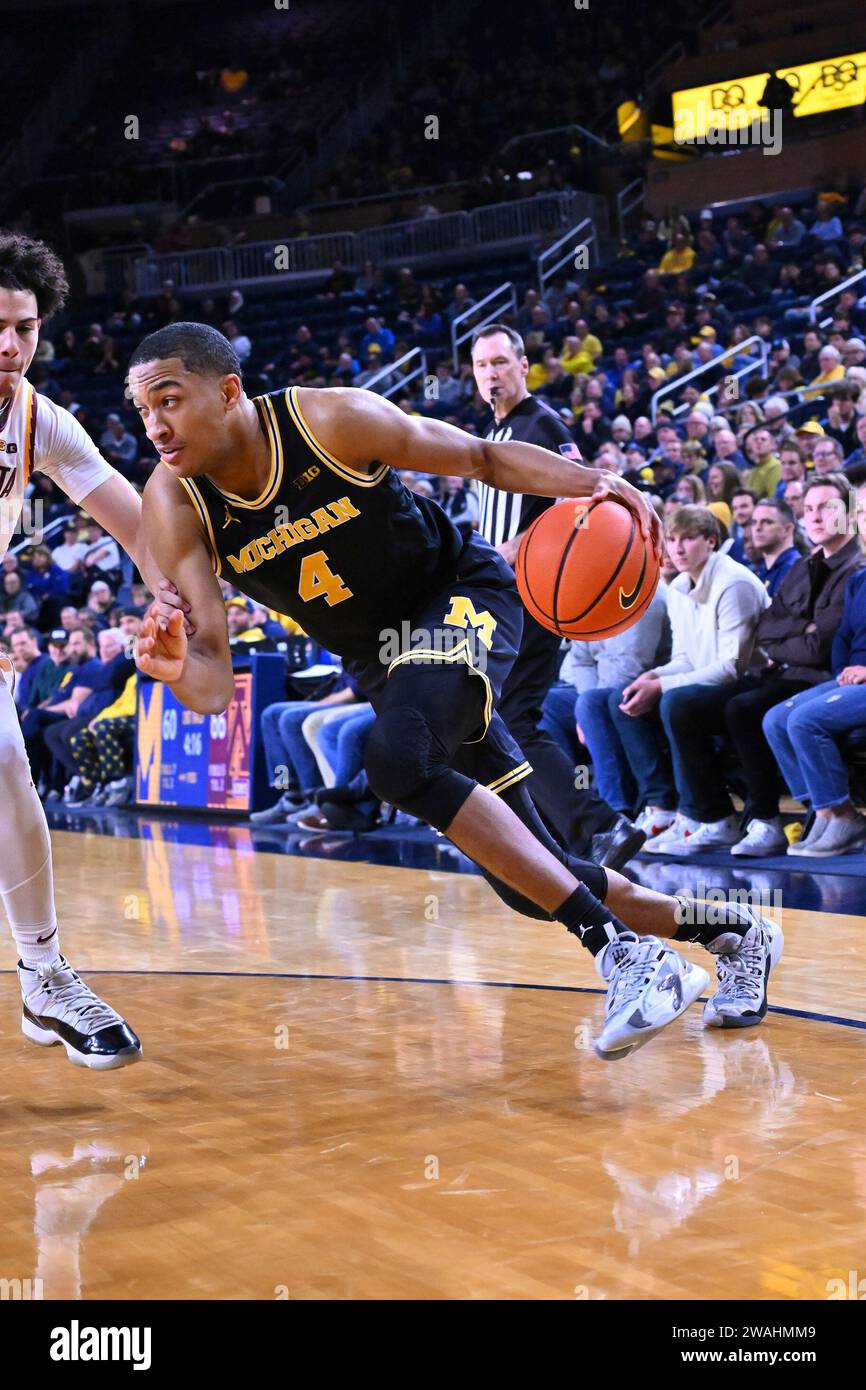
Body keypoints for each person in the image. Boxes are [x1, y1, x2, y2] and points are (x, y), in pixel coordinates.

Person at [130, 320, 782, 1058]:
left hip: (460, 595)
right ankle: (734, 931)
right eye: (142, 410)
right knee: (531, 877)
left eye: (169, 401)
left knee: (398, 763)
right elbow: (214, 683)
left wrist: (597, 483)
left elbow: (477, 456)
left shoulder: (325, 419)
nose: (154, 425)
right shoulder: (174, 503)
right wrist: (178, 667)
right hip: (384, 661)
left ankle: (630, 959)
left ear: (227, 392)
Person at [0, 231, 186, 1070]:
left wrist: (176, 594)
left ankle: (44, 975)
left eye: (26, 328)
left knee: (7, 759)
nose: (10, 346)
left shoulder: (39, 419)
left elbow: (138, 525)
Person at [469, 323, 644, 871]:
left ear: (524, 366)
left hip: (537, 596)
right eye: (481, 366)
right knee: (495, 719)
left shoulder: (544, 425)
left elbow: (579, 503)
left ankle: (598, 826)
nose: (491, 374)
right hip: (502, 600)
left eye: (500, 362)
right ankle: (564, 831)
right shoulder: (488, 435)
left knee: (509, 718)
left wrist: (511, 548)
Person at [762, 485, 866, 856]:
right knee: (775, 719)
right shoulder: (860, 578)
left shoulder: (850, 570)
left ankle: (843, 815)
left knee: (805, 720)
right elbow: (842, 641)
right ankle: (823, 811)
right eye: (864, 514)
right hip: (851, 679)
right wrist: (844, 671)